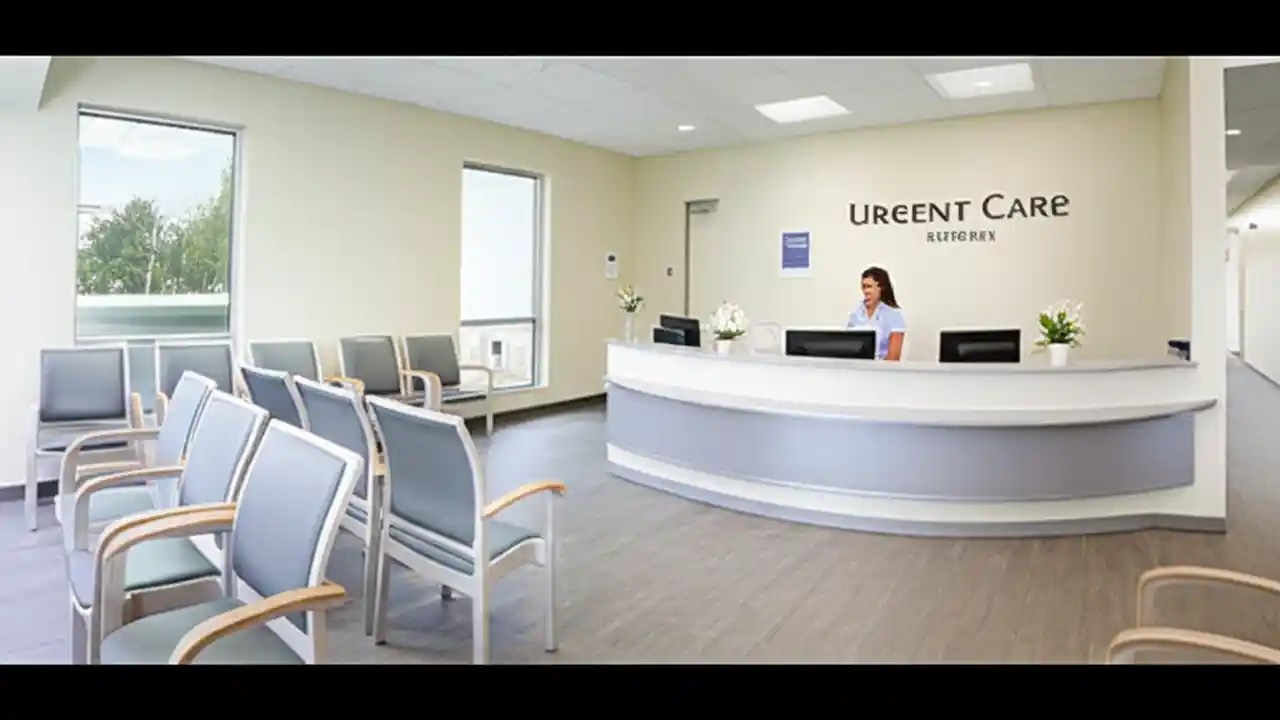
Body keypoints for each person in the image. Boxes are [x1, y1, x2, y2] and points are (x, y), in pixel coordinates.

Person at [846, 266, 906, 361]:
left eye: (869, 287)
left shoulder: (894, 315)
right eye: (863, 287)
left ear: (881, 287)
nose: (866, 291)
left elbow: (894, 357)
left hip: (882, 371)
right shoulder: (856, 313)